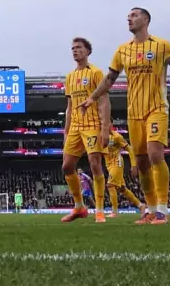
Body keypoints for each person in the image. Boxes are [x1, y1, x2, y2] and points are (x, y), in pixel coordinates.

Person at [80, 7, 170, 225]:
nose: (129, 18)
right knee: (142, 163)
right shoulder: (122, 50)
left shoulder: (162, 45)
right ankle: (151, 210)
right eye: (128, 16)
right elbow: (109, 79)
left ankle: (163, 210)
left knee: (155, 154)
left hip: (157, 108)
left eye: (134, 15)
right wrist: (92, 97)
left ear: (146, 20)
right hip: (134, 113)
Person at [61, 38, 110, 224]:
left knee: (94, 163)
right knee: (67, 166)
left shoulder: (96, 73)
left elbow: (104, 100)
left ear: (88, 51)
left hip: (92, 125)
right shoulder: (69, 77)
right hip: (75, 126)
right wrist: (66, 131)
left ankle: (99, 210)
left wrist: (105, 128)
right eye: (73, 48)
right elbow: (69, 107)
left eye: (79, 47)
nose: (75, 51)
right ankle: (79, 206)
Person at [104, 128, 145, 218]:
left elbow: (129, 149)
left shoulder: (117, 136)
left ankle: (114, 212)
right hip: (108, 165)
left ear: (110, 124)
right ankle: (140, 205)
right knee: (122, 189)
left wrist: (133, 165)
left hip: (117, 162)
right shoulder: (100, 135)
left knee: (110, 185)